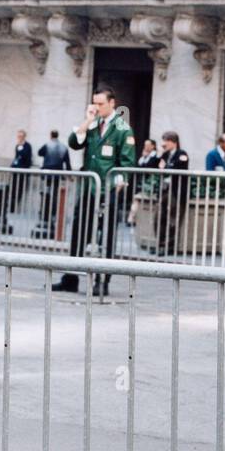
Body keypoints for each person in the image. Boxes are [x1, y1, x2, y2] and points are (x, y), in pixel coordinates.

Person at [52, 87, 136, 297]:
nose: (96, 107)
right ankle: (70, 278)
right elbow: (73, 143)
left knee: (106, 237)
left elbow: (126, 163)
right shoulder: (92, 125)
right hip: (89, 188)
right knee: (79, 233)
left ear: (112, 103)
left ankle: (102, 280)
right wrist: (87, 120)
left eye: (100, 104)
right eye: (94, 103)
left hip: (108, 191)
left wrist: (117, 186)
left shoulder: (122, 128)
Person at [156, 131, 190, 256]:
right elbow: (152, 166)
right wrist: (159, 155)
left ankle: (169, 247)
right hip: (164, 190)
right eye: (163, 140)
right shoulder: (164, 155)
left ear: (174, 142)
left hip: (176, 191)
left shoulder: (182, 154)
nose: (164, 144)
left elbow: (179, 168)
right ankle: (160, 244)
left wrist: (164, 168)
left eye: (167, 141)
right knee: (159, 218)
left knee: (173, 220)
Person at [36, 130, 71, 238]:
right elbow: (67, 163)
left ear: (51, 135)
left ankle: (44, 214)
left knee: (45, 194)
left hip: (46, 173)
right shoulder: (63, 147)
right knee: (55, 195)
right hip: (57, 174)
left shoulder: (47, 145)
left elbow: (39, 153)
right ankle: (52, 213)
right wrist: (69, 175)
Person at [128, 137, 160, 226]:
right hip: (142, 182)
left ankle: (131, 218)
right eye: (145, 145)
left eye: (148, 145)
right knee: (136, 198)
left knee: (137, 199)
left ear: (153, 146)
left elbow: (149, 167)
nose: (145, 147)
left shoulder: (155, 156)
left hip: (150, 183)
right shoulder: (144, 156)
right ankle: (131, 218)